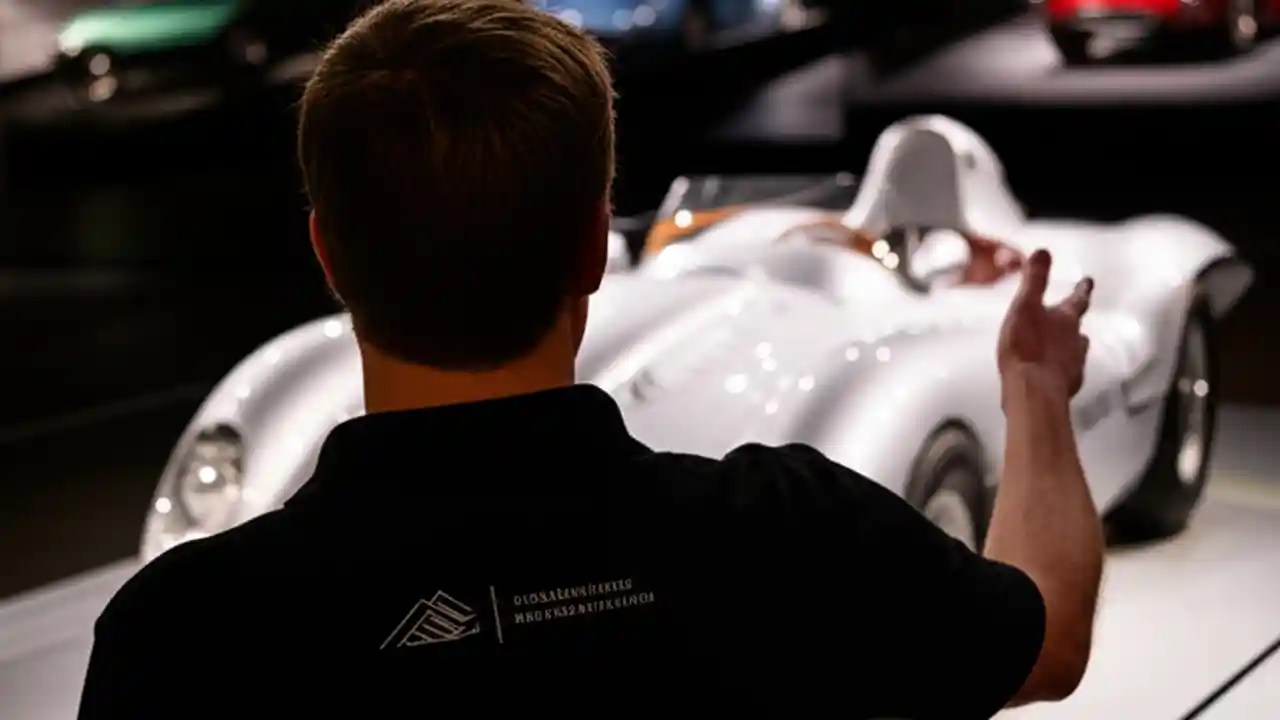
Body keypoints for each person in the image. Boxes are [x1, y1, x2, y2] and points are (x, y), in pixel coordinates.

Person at [78, 1, 1103, 717]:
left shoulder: (180, 635)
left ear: (328, 256)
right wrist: (1034, 393)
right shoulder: (788, 533)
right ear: (589, 244)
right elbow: (1047, 640)